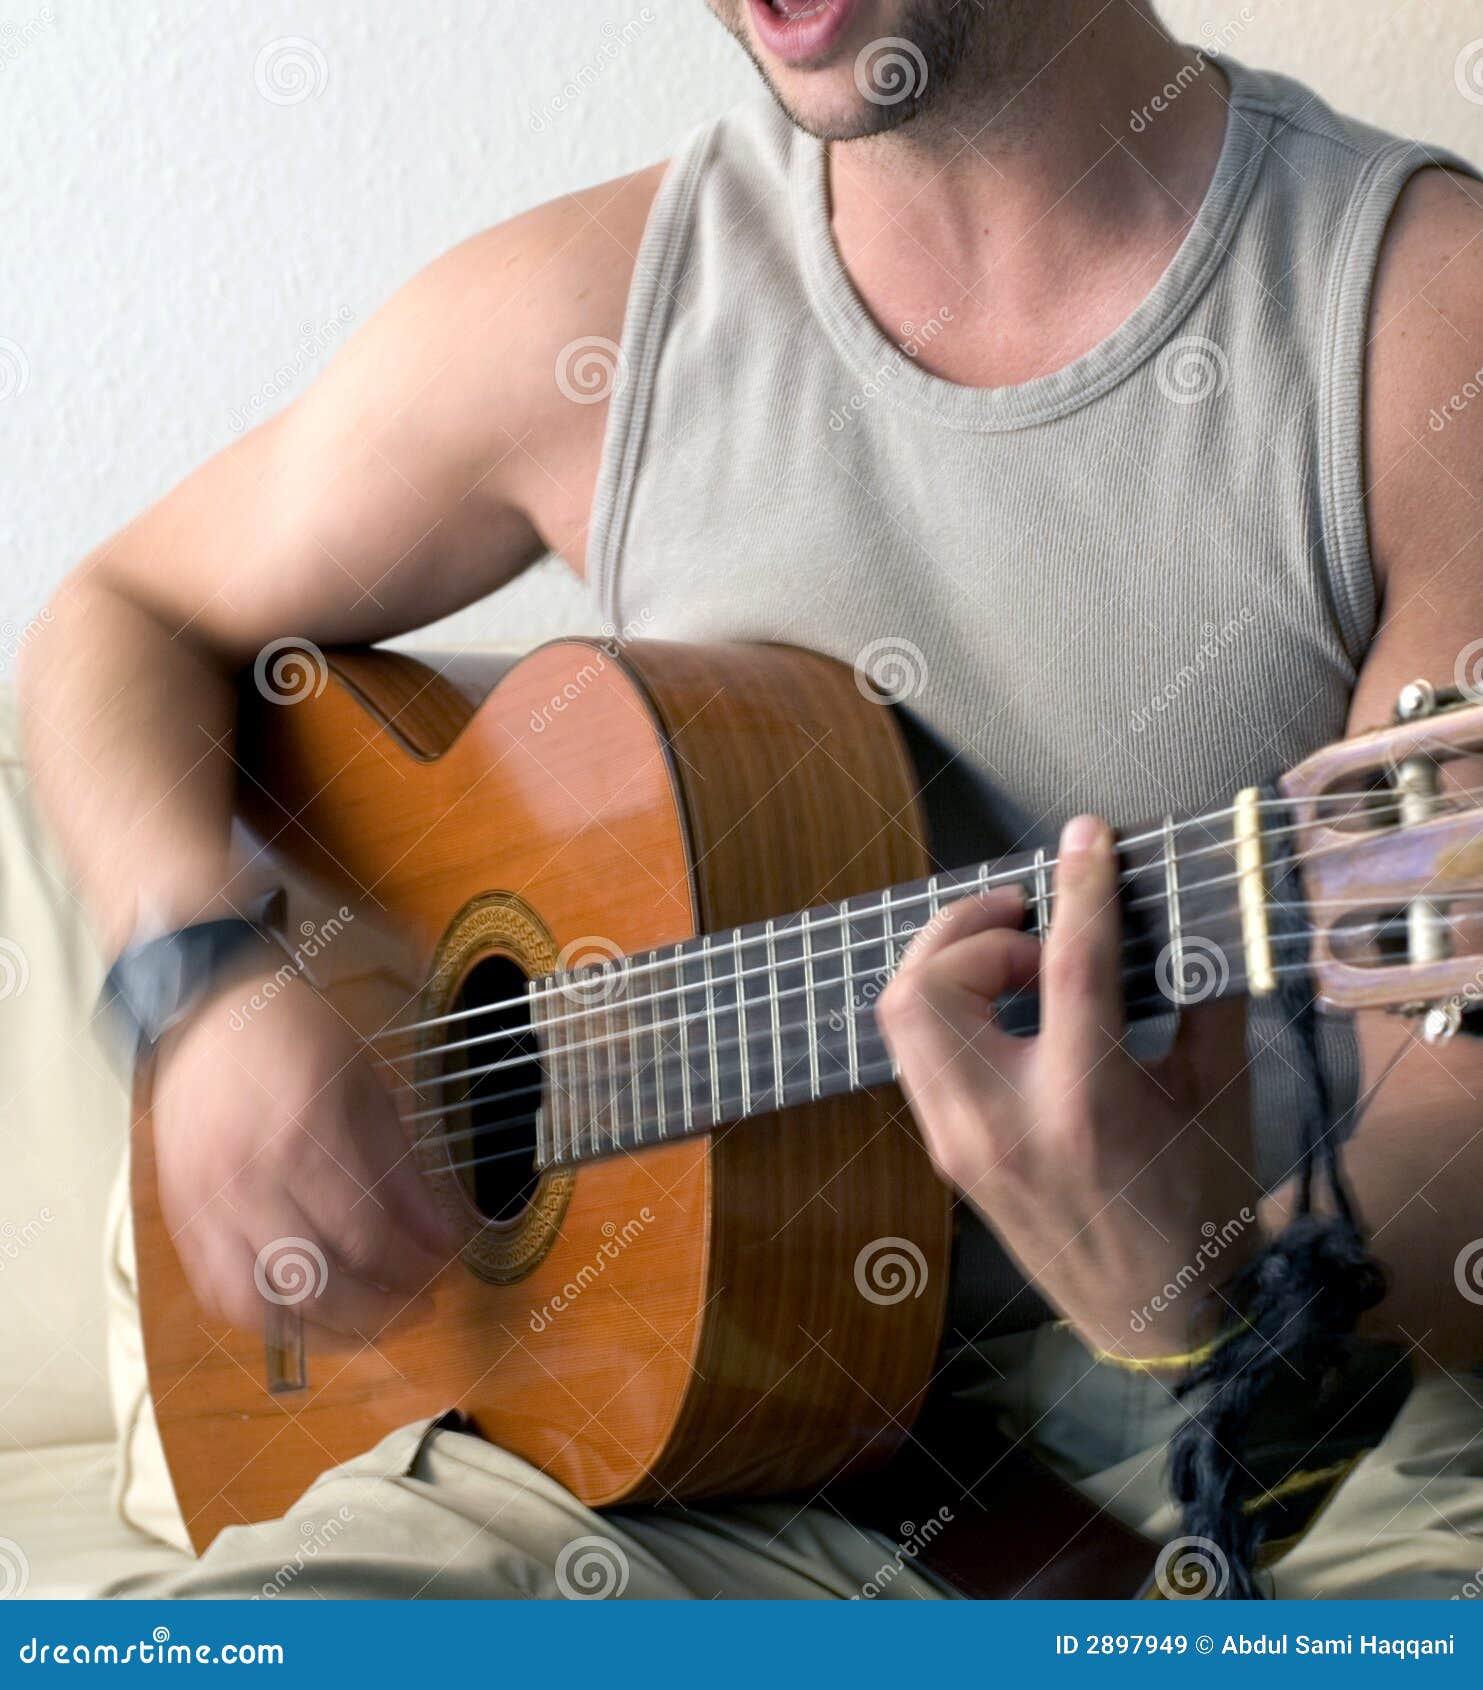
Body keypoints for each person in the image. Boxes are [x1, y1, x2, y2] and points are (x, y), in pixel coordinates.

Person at [21, 0, 1483, 1598]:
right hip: (644, 1474)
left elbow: (1455, 1128)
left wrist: (1208, 1290)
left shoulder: (1421, 321)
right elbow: (120, 615)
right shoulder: (591, 315)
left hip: (1261, 1438)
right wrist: (200, 974)